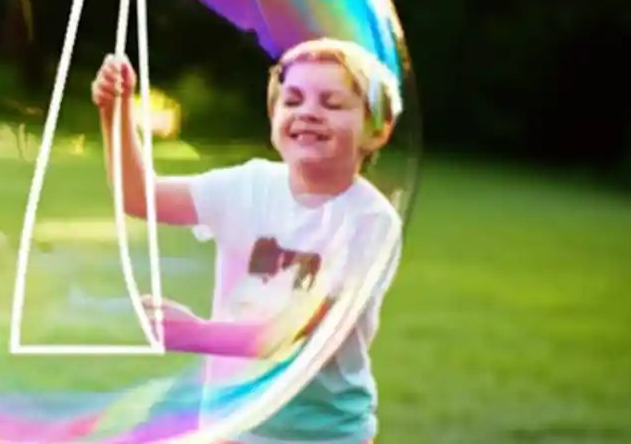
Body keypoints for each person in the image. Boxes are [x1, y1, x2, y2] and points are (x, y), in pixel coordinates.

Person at [91, 38, 404, 444]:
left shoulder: (369, 221)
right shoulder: (249, 185)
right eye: (292, 101)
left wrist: (196, 333)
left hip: (322, 433)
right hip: (234, 418)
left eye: (331, 103)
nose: (308, 112)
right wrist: (115, 114)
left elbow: (295, 333)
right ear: (274, 118)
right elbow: (139, 197)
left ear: (376, 131)